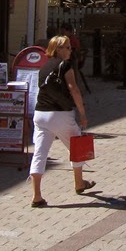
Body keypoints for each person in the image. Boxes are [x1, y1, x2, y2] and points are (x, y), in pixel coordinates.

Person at [29, 35, 92, 208]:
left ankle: (37, 195)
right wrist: (83, 113)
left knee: (40, 153)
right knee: (77, 148)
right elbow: (74, 89)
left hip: (40, 114)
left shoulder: (43, 67)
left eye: (70, 47)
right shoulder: (65, 65)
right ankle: (79, 183)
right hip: (61, 114)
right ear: (57, 49)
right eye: (66, 47)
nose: (70, 50)